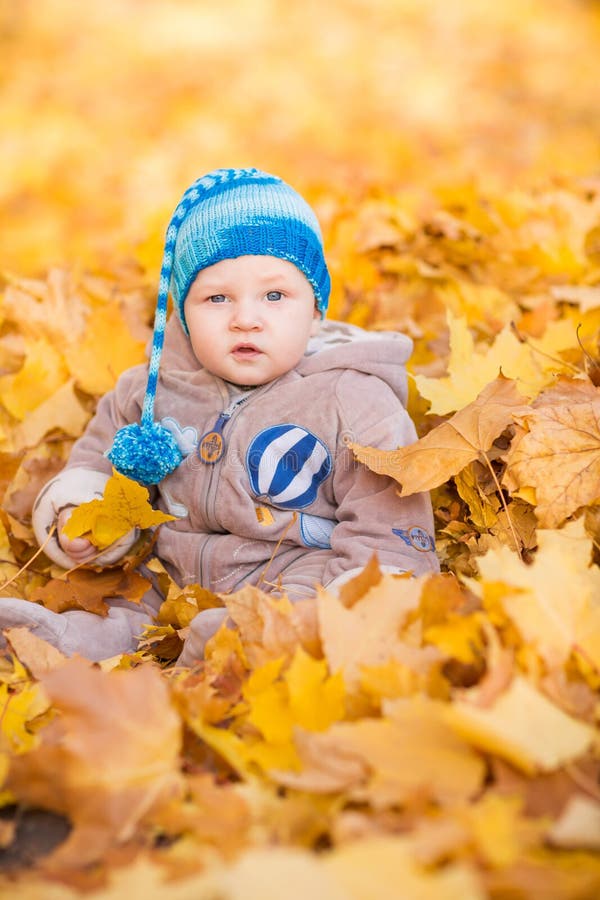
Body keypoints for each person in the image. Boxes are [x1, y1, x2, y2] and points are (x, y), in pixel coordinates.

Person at [0, 167, 439, 663]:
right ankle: (63, 645)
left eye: (275, 296)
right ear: (183, 316)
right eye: (216, 298)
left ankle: (247, 645)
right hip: (171, 564)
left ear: (315, 310)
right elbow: (100, 464)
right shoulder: (152, 389)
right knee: (125, 598)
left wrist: (361, 595)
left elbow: (388, 530)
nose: (245, 318)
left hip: (291, 567)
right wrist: (82, 516)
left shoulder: (351, 398)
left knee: (302, 601)